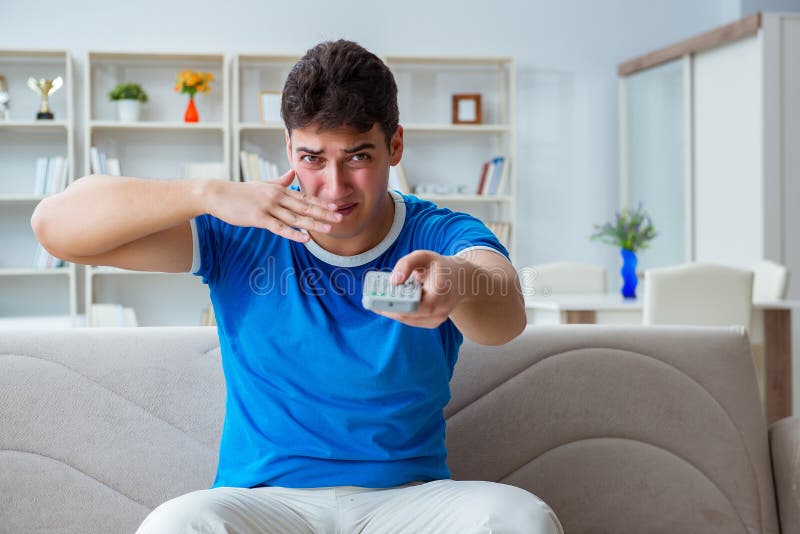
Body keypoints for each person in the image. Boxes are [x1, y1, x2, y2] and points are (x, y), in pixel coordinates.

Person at [32, 39, 563, 534]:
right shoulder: (240, 226)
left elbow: (507, 309)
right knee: (176, 525)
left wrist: (458, 282)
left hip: (407, 502)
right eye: (312, 159)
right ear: (288, 148)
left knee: (519, 517)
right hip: (265, 502)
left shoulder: (441, 232)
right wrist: (208, 193)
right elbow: (55, 227)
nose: (334, 188)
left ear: (394, 145)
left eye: (358, 156)